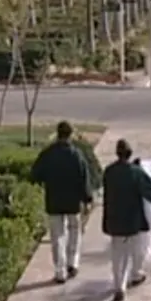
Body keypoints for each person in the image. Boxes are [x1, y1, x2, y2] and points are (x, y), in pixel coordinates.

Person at [30, 121, 94, 283]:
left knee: (57, 236)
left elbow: (35, 174)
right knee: (75, 231)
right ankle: (73, 262)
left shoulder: (48, 154)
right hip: (73, 201)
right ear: (70, 135)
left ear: (57, 134)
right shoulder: (76, 155)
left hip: (54, 200)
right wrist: (87, 199)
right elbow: (84, 178)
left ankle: (60, 270)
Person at [102, 139, 151, 301]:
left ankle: (118, 284)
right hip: (132, 219)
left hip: (114, 218)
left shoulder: (109, 171)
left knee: (117, 253)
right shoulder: (136, 172)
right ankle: (127, 280)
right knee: (130, 252)